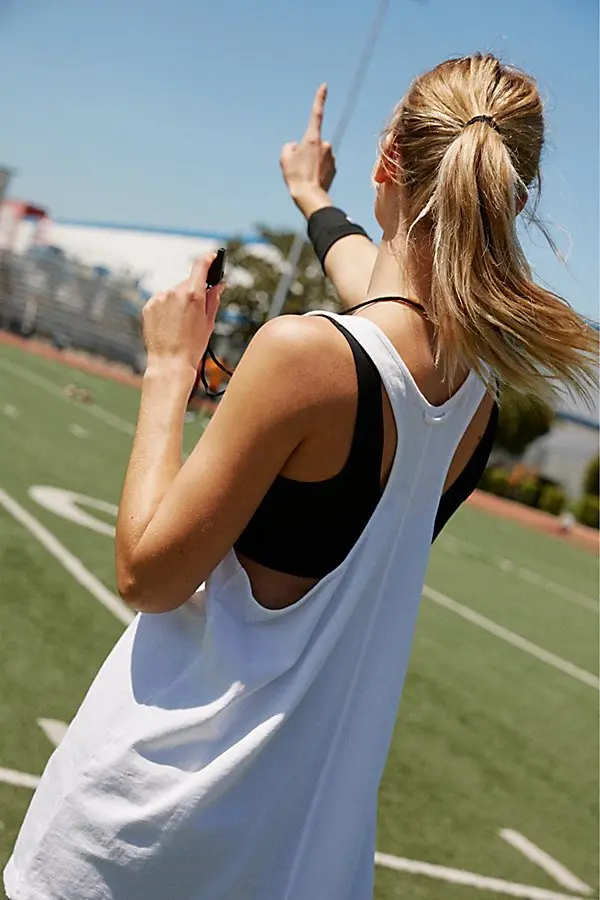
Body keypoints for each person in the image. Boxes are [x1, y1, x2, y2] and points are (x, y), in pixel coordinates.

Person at [5, 54, 597, 900]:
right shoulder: (476, 403)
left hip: (144, 839)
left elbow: (148, 574)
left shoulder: (305, 355)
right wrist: (314, 200)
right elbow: (385, 295)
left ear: (390, 160)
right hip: (296, 865)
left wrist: (170, 370)